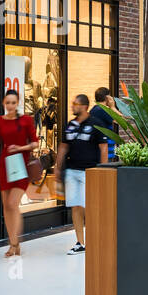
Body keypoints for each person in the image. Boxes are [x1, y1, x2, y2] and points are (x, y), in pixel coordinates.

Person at [0, 89, 39, 257]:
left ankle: (14, 242)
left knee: (13, 204)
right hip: (5, 166)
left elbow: (34, 143)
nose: (10, 106)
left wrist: (20, 148)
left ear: (17, 103)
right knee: (6, 205)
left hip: (21, 166)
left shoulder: (26, 120)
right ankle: (14, 243)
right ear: (3, 104)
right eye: (7, 103)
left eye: (13, 102)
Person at [55, 94, 108, 254]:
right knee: (75, 206)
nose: (72, 106)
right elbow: (63, 147)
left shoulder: (96, 124)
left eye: (75, 104)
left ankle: (95, 238)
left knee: (89, 206)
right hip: (72, 171)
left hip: (89, 171)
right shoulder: (70, 125)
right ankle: (80, 242)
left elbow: (103, 148)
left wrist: (102, 170)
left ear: (84, 106)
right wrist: (57, 167)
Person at [89, 87, 117, 160]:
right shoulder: (102, 110)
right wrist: (113, 106)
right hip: (105, 151)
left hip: (100, 149)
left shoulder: (94, 110)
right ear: (107, 98)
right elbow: (120, 120)